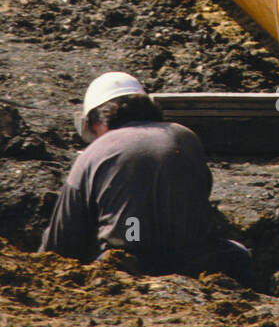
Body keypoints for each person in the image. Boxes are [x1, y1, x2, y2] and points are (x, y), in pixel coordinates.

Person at [39, 72, 252, 284]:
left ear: (97, 121)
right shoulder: (185, 136)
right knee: (239, 254)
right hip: (198, 262)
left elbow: (62, 241)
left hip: (129, 267)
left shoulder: (94, 152)